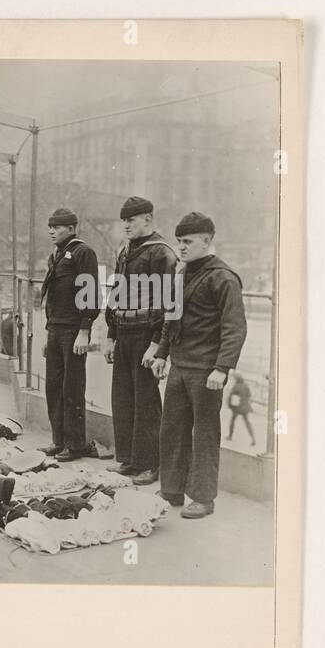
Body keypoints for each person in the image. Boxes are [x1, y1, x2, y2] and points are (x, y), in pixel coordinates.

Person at [151, 212, 247, 519]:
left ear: (207, 241)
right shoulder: (182, 274)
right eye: (179, 241)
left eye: (188, 241)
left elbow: (235, 328)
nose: (181, 246)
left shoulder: (223, 278)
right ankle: (172, 489)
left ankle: (204, 498)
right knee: (172, 430)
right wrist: (162, 354)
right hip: (179, 366)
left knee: (204, 433)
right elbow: (171, 320)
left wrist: (222, 368)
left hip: (206, 371)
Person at [103, 195, 178, 486]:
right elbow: (115, 296)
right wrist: (110, 335)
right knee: (123, 399)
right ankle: (130, 460)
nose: (126, 225)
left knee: (146, 401)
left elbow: (170, 304)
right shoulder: (125, 252)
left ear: (147, 218)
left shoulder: (162, 253)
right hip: (124, 333)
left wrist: (157, 344)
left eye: (131, 220)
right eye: (124, 220)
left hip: (147, 335)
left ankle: (150, 464)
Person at [38, 207, 100, 461]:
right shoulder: (58, 254)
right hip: (56, 329)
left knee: (72, 388)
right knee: (53, 387)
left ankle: (76, 445)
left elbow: (91, 294)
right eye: (50, 226)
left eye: (57, 226)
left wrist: (84, 330)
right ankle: (59, 441)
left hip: (73, 330)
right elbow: (53, 297)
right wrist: (48, 331)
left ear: (72, 228)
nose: (52, 231)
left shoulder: (83, 252)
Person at [227, 374, 256, 446]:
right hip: (245, 408)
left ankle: (230, 436)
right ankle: (253, 439)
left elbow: (230, 397)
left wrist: (230, 406)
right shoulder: (246, 386)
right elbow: (249, 396)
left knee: (232, 422)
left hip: (237, 408)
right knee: (247, 423)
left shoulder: (236, 386)